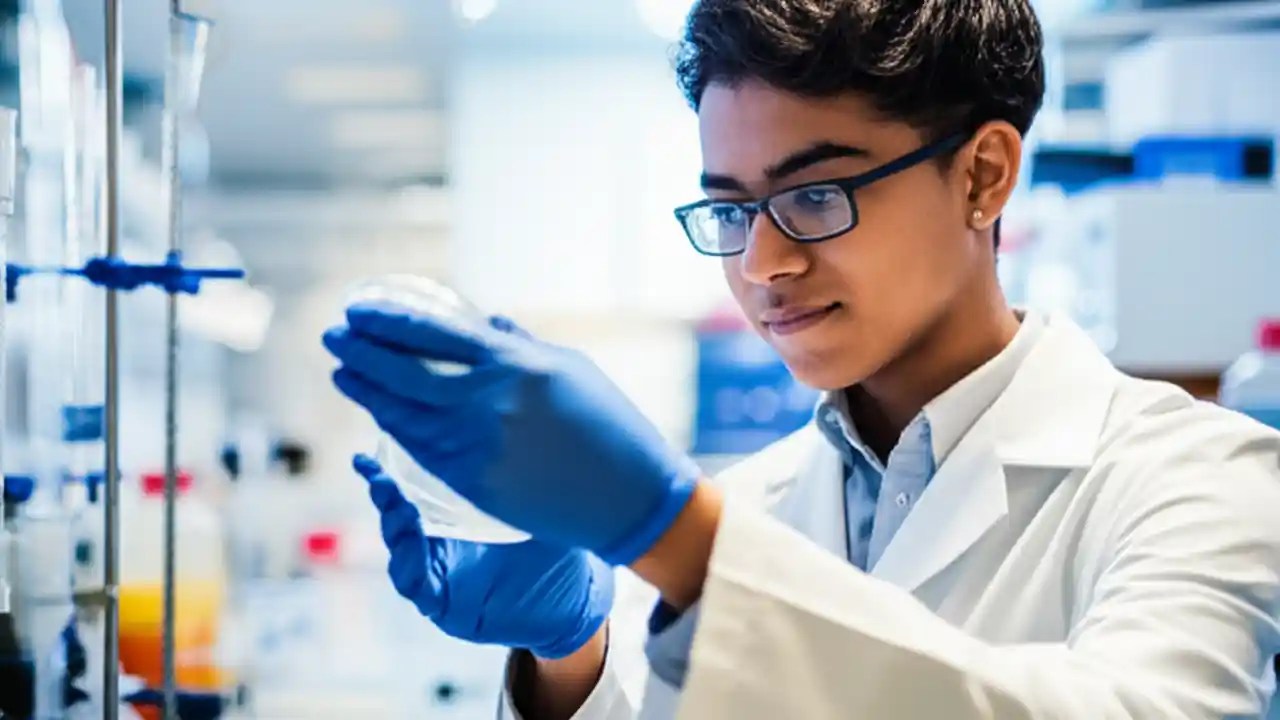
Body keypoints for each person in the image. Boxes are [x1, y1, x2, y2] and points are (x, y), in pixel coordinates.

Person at [322, 0, 1280, 717]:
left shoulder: (1199, 477)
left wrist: (678, 538)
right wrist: (571, 655)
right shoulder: (750, 505)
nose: (761, 262)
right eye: (731, 208)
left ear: (983, 174)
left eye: (816, 194)